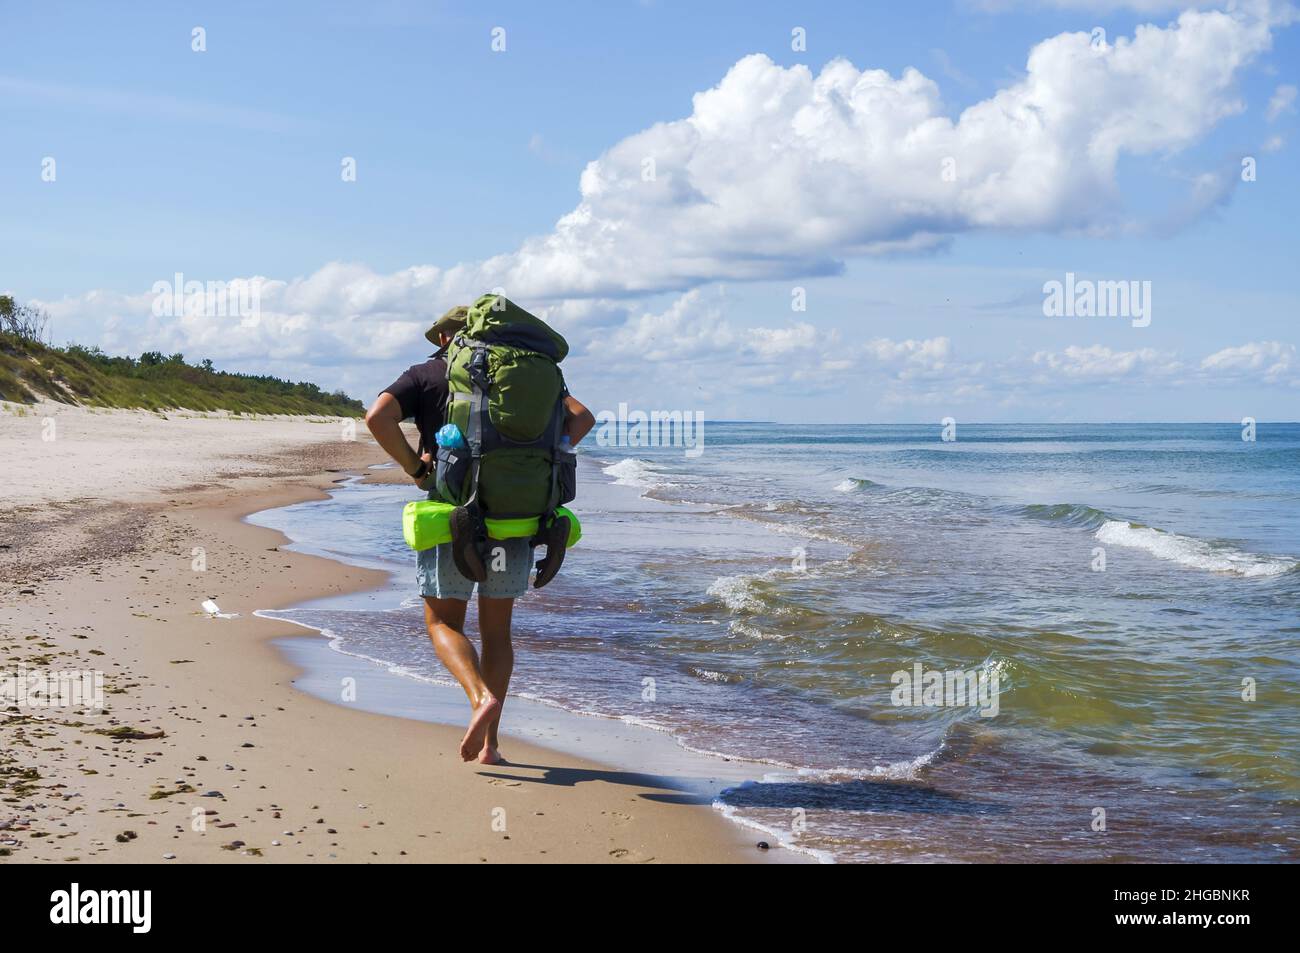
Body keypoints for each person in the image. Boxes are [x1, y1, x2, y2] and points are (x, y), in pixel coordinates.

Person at [365, 305, 594, 764]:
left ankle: (478, 700)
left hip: (453, 516)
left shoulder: (429, 373)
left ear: (449, 337)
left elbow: (377, 418)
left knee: (444, 623)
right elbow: (582, 419)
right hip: (517, 517)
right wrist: (548, 458)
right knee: (498, 634)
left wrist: (415, 467)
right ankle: (491, 746)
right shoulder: (534, 374)